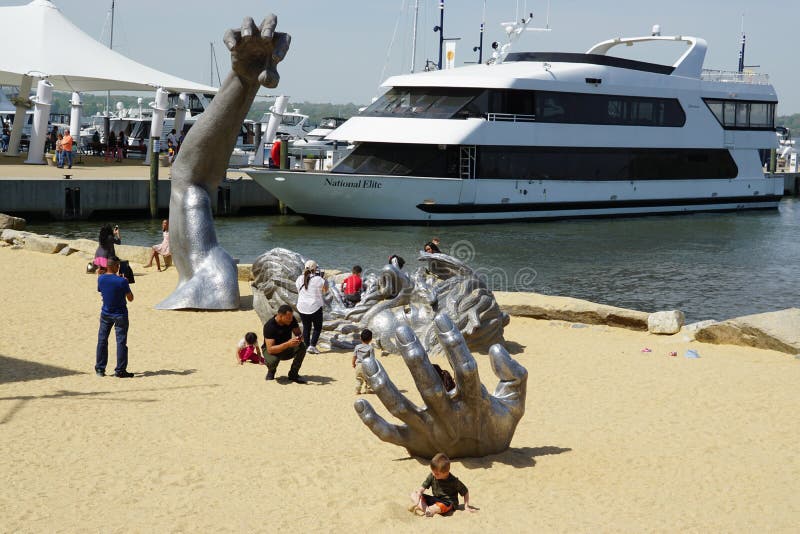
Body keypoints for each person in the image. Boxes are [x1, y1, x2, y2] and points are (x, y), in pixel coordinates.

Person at [95, 256, 134, 378]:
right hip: (120, 314)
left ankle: (100, 369)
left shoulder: (101, 279)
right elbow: (130, 298)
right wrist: (125, 283)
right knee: (121, 342)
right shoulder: (121, 281)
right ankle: (120, 370)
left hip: (106, 313)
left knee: (102, 340)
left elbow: (102, 291)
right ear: (115, 266)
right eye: (118, 266)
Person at [409, 453, 474, 517]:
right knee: (414, 494)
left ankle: (426, 509)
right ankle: (427, 510)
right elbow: (422, 488)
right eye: (433, 472)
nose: (434, 474)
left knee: (439, 506)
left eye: (437, 473)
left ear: (446, 473)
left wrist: (466, 506)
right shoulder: (432, 475)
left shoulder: (454, 481)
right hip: (435, 499)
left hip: (448, 502)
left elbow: (465, 492)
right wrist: (419, 493)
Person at [262, 304, 307, 383]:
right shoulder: (269, 326)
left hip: (287, 347)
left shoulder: (291, 320)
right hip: (272, 350)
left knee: (302, 347)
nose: (290, 320)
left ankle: (293, 374)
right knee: (273, 361)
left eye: (291, 317)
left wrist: (299, 338)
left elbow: (298, 333)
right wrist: (288, 344)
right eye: (288, 318)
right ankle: (271, 371)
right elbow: (270, 350)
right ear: (280, 316)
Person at [295, 259, 327, 354]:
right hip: (315, 306)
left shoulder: (299, 278)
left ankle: (307, 345)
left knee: (306, 327)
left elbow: (299, 290)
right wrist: (323, 279)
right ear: (315, 269)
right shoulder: (319, 279)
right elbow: (325, 290)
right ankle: (312, 346)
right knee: (317, 327)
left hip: (302, 306)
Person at [352, 329, 374, 394]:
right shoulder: (370, 348)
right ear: (371, 339)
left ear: (360, 338)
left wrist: (353, 364)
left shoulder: (357, 347)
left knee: (359, 379)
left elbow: (354, 356)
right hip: (367, 366)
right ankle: (368, 390)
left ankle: (357, 390)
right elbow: (372, 359)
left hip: (358, 366)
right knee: (369, 379)